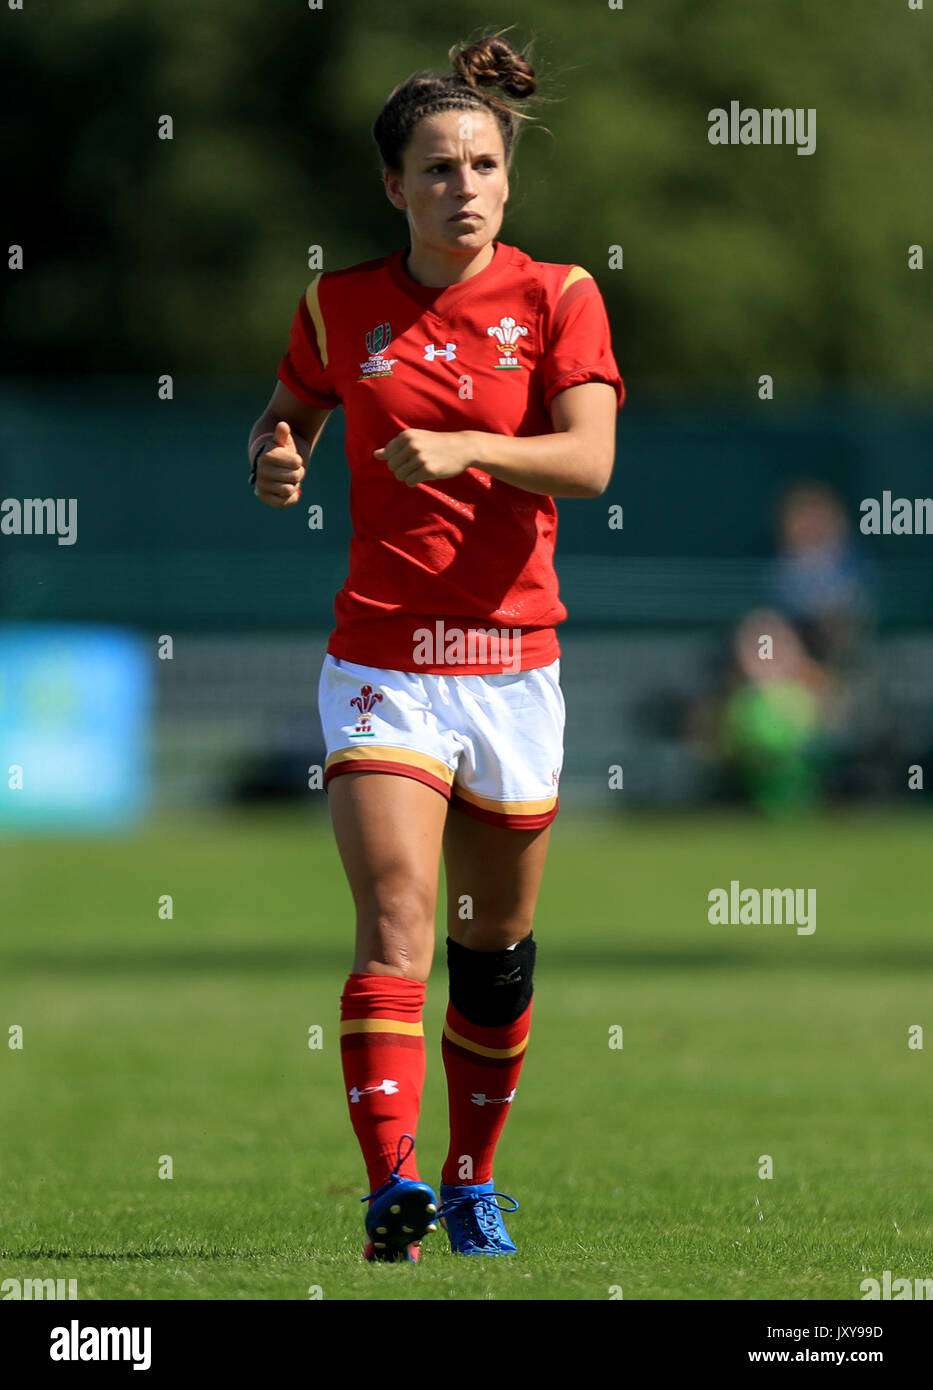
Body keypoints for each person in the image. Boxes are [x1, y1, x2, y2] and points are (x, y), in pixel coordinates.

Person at [246, 30, 624, 1263]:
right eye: (436, 168)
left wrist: (472, 450)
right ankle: (390, 1189)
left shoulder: (559, 296)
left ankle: (471, 1181)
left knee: (492, 953)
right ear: (393, 186)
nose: (462, 187)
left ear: (508, 178)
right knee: (398, 915)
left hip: (513, 669)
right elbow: (291, 404)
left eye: (480, 165)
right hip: (384, 667)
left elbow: (589, 458)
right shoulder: (337, 305)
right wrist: (278, 455)